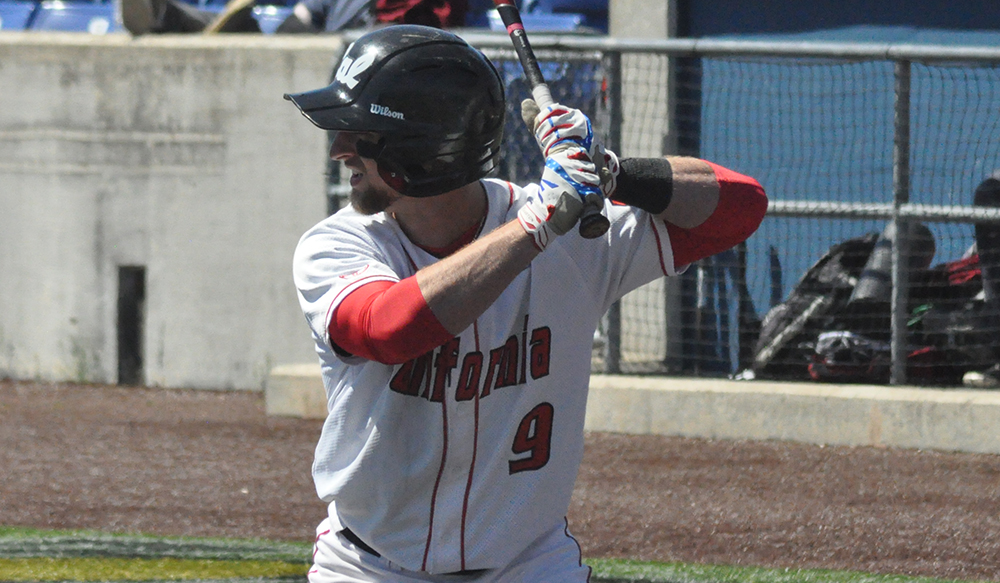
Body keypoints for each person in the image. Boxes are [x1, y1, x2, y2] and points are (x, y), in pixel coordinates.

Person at [285, 24, 768, 582]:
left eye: (361, 135)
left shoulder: (568, 228)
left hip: (528, 564)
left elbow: (741, 208)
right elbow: (387, 329)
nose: (340, 149)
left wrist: (610, 172)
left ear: (422, 151)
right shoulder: (338, 245)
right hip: (368, 565)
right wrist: (537, 226)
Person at [119, 0, 465, 36]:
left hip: (357, 49)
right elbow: (304, 14)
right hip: (318, 38)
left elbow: (420, 30)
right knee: (256, 21)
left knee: (248, 25)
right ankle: (166, 13)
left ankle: (169, 18)